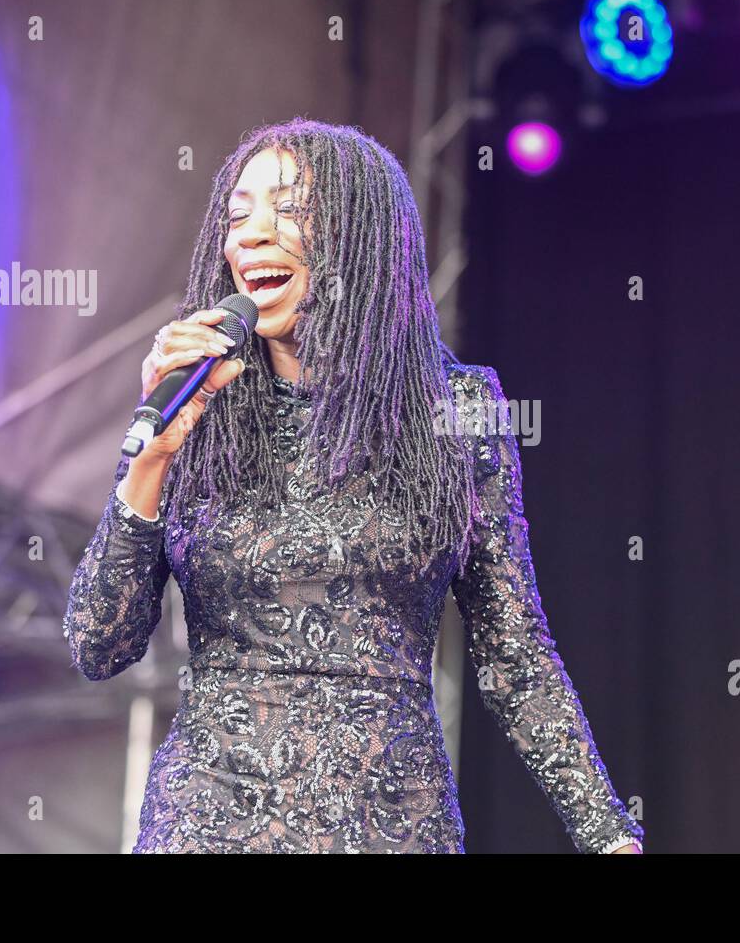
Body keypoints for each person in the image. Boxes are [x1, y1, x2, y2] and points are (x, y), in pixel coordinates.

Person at [62, 118, 643, 854]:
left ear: (362, 237)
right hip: (211, 821)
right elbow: (97, 645)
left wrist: (608, 836)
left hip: (391, 821)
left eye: (291, 210)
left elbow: (512, 653)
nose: (251, 236)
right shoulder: (195, 407)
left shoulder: (456, 411)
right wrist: (151, 460)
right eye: (238, 216)